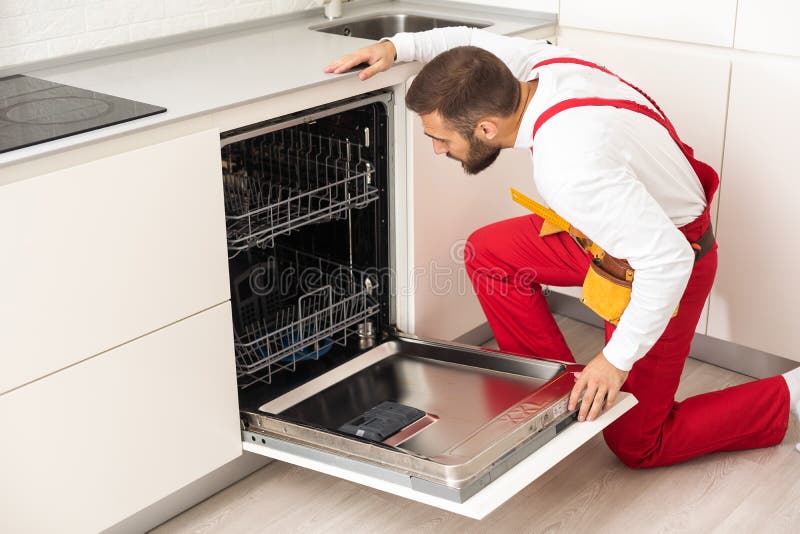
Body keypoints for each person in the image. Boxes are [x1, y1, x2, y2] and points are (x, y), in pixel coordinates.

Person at [325, 28, 800, 467]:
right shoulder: (544, 66)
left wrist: (614, 362)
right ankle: (558, 395)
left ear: (486, 129)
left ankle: (790, 395)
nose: (437, 150)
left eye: (440, 138)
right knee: (489, 254)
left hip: (672, 257)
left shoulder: (569, 166)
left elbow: (667, 262)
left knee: (638, 443)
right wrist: (397, 46)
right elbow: (470, 42)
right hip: (612, 231)